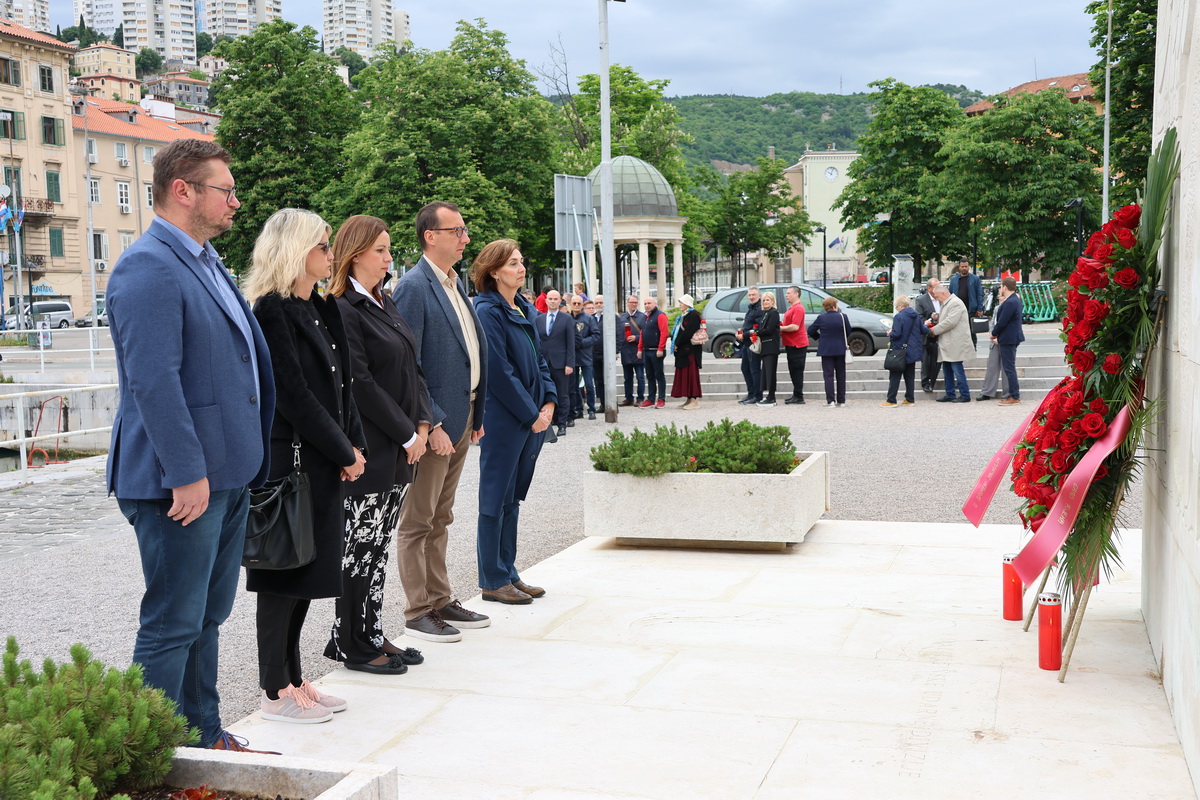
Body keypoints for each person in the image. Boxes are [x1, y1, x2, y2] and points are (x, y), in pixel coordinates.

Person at [106, 139, 276, 753]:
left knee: (207, 617)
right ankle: (150, 753)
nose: (235, 200)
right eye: (224, 190)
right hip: (182, 482)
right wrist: (186, 472)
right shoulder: (147, 266)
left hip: (226, 474)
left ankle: (201, 735)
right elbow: (154, 382)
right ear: (184, 190)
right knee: (173, 622)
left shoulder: (205, 260)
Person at [244, 209, 367, 720]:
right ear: (295, 251)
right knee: (281, 572)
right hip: (290, 459)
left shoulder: (319, 306)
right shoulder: (273, 310)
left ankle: (295, 677)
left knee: (308, 571)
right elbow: (292, 395)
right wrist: (343, 450)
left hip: (323, 457)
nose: (331, 254)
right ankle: (275, 690)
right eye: (322, 246)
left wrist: (353, 445)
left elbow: (343, 386)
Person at [325, 214, 438, 668]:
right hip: (373, 447)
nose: (390, 258)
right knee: (359, 548)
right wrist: (408, 431)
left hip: (401, 447)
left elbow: (414, 367)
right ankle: (351, 641)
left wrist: (425, 423)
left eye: (390, 250)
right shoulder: (343, 307)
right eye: (381, 251)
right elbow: (360, 383)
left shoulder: (384, 301)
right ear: (355, 254)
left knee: (378, 546)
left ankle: (370, 631)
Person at [391, 201, 491, 643]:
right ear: (431, 235)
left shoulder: (454, 285)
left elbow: (468, 351)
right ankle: (418, 609)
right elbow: (408, 363)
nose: (466, 238)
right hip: (436, 423)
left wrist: (476, 414)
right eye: (458, 230)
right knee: (419, 519)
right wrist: (429, 423)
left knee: (442, 515)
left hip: (463, 415)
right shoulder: (414, 286)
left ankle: (440, 598)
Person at [471, 240, 557, 604]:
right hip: (504, 420)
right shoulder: (487, 310)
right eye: (512, 264)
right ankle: (491, 579)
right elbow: (500, 372)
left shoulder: (521, 306)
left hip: (532, 417)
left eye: (522, 262)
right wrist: (531, 414)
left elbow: (539, 360)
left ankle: (508, 571)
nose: (521, 269)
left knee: (513, 497)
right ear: (493, 271)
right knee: (495, 498)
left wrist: (550, 400)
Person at [537, 289, 575, 436]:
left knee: (562, 394)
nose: (552, 301)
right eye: (550, 299)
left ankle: (562, 424)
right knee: (545, 393)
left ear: (560, 301)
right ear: (546, 300)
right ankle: (547, 423)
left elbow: (570, 343)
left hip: (561, 363)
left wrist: (570, 364)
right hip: (543, 363)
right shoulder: (538, 319)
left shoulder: (566, 319)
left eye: (555, 299)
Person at [927, 283, 974, 402]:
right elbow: (947, 320)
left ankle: (965, 394)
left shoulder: (955, 303)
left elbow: (950, 322)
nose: (936, 299)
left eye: (937, 296)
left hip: (955, 343)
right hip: (949, 342)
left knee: (957, 369)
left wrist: (934, 330)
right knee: (947, 369)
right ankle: (950, 393)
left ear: (943, 293)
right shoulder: (948, 302)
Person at [807, 296, 851, 407]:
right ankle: (841, 401)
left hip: (826, 349)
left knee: (828, 376)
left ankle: (830, 401)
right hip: (840, 349)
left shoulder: (821, 318)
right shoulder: (842, 317)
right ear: (834, 306)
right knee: (841, 375)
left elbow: (810, 330)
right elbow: (848, 331)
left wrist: (820, 338)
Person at [880, 295, 923, 407]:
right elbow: (923, 330)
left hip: (900, 350)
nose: (896, 309)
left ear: (900, 306)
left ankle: (891, 400)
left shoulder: (899, 317)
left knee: (895, 376)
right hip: (912, 350)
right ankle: (910, 399)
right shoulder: (916, 315)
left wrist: (890, 333)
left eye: (896, 307)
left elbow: (897, 334)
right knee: (909, 376)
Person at [991, 276, 1025, 406]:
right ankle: (1013, 395)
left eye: (1001, 286)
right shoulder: (1013, 300)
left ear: (1005, 287)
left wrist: (993, 334)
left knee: (1009, 368)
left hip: (1009, 338)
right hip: (1010, 337)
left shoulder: (1010, 301)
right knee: (1009, 367)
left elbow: (1002, 322)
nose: (1000, 289)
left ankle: (1014, 396)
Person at [976, 287, 1010, 402]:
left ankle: (1008, 393)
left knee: (1007, 368)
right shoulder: (997, 308)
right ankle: (987, 392)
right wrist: (992, 335)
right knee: (992, 367)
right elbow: (993, 322)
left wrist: (1000, 338)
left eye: (1001, 296)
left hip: (1006, 341)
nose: (1000, 298)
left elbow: (1010, 326)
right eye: (999, 296)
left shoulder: (1011, 307)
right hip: (994, 340)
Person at [670, 293, 703, 409]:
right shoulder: (684, 315)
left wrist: (677, 343)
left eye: (681, 302)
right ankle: (689, 399)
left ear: (687, 304)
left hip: (690, 350)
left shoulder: (693, 315)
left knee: (691, 374)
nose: (680, 305)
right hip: (684, 350)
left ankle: (694, 399)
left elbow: (688, 332)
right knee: (685, 374)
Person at [569, 294, 599, 421]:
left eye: (579, 303)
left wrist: (583, 343)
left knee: (588, 384)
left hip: (586, 355)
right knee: (574, 385)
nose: (576, 305)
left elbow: (596, 335)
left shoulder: (589, 319)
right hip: (572, 356)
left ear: (582, 305)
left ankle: (591, 409)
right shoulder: (566, 318)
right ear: (570, 304)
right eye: (574, 303)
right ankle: (578, 409)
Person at [637, 296, 669, 408]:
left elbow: (664, 333)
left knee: (659, 375)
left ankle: (661, 399)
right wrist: (640, 348)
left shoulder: (660, 315)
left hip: (656, 351)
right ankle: (650, 399)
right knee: (650, 376)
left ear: (655, 304)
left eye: (649, 303)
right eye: (645, 303)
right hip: (646, 350)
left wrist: (660, 348)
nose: (647, 305)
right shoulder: (645, 317)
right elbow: (642, 333)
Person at [780, 285, 808, 404]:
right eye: (786, 293)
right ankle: (796, 394)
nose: (786, 295)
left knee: (797, 370)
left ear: (796, 294)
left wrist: (780, 328)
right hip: (791, 343)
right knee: (793, 370)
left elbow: (794, 326)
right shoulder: (792, 307)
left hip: (797, 344)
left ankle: (799, 396)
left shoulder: (798, 308)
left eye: (789, 293)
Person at [736, 286, 764, 404]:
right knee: (745, 368)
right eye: (750, 295)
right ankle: (751, 393)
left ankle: (757, 395)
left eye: (753, 295)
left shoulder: (759, 309)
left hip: (754, 343)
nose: (751, 297)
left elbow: (757, 327)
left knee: (755, 370)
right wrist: (741, 332)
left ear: (759, 295)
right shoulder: (750, 308)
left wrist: (745, 334)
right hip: (746, 343)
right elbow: (748, 324)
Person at [914, 279, 942, 393]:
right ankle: (925, 382)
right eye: (936, 287)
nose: (939, 289)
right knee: (926, 360)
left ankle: (932, 381)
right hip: (927, 333)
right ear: (929, 288)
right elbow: (919, 317)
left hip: (941, 333)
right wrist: (930, 320)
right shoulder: (921, 300)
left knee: (938, 360)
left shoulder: (943, 298)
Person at [617, 295, 646, 407]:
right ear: (627, 303)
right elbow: (618, 334)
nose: (633, 304)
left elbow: (645, 333)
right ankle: (629, 398)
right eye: (631, 302)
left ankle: (640, 398)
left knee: (640, 376)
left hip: (638, 350)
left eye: (635, 302)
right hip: (626, 350)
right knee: (627, 377)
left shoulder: (642, 317)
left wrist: (636, 338)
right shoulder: (622, 317)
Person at [948, 259, 984, 349]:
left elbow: (979, 294)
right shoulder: (954, 280)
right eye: (962, 266)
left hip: (970, 308)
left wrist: (979, 308)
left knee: (972, 330)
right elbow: (950, 294)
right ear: (959, 267)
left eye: (966, 266)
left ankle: (973, 347)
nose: (964, 268)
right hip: (957, 309)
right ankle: (959, 348)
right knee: (958, 330)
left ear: (969, 267)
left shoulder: (975, 279)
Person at [756, 292, 782, 406]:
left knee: (771, 372)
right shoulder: (765, 313)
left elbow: (770, 329)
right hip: (765, 346)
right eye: (764, 300)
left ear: (772, 301)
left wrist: (757, 332)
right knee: (766, 372)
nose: (766, 302)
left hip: (771, 345)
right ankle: (768, 395)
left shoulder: (774, 312)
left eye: (768, 300)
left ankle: (772, 396)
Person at [585, 299, 606, 410]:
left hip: (606, 354)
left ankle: (610, 403)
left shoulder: (611, 317)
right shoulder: (591, 318)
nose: (599, 304)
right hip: (593, 353)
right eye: (596, 303)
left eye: (600, 302)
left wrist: (616, 351)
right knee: (598, 380)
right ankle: (602, 404)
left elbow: (618, 334)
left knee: (607, 380)